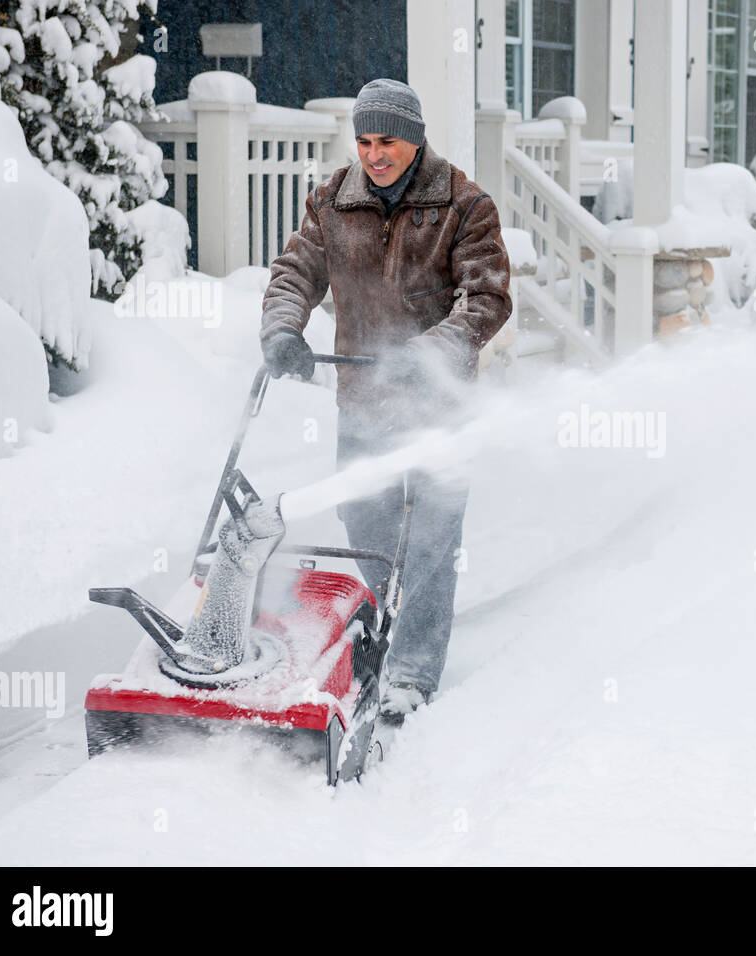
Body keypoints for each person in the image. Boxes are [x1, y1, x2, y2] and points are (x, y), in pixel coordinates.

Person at [259, 78, 512, 718]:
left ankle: (412, 675)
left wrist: (432, 353)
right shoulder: (332, 203)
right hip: (364, 403)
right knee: (366, 530)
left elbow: (487, 298)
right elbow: (295, 273)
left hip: (440, 413)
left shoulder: (463, 204)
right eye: (365, 141)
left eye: (388, 141)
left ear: (416, 138)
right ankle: (384, 629)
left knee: (430, 544)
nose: (374, 155)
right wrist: (284, 329)